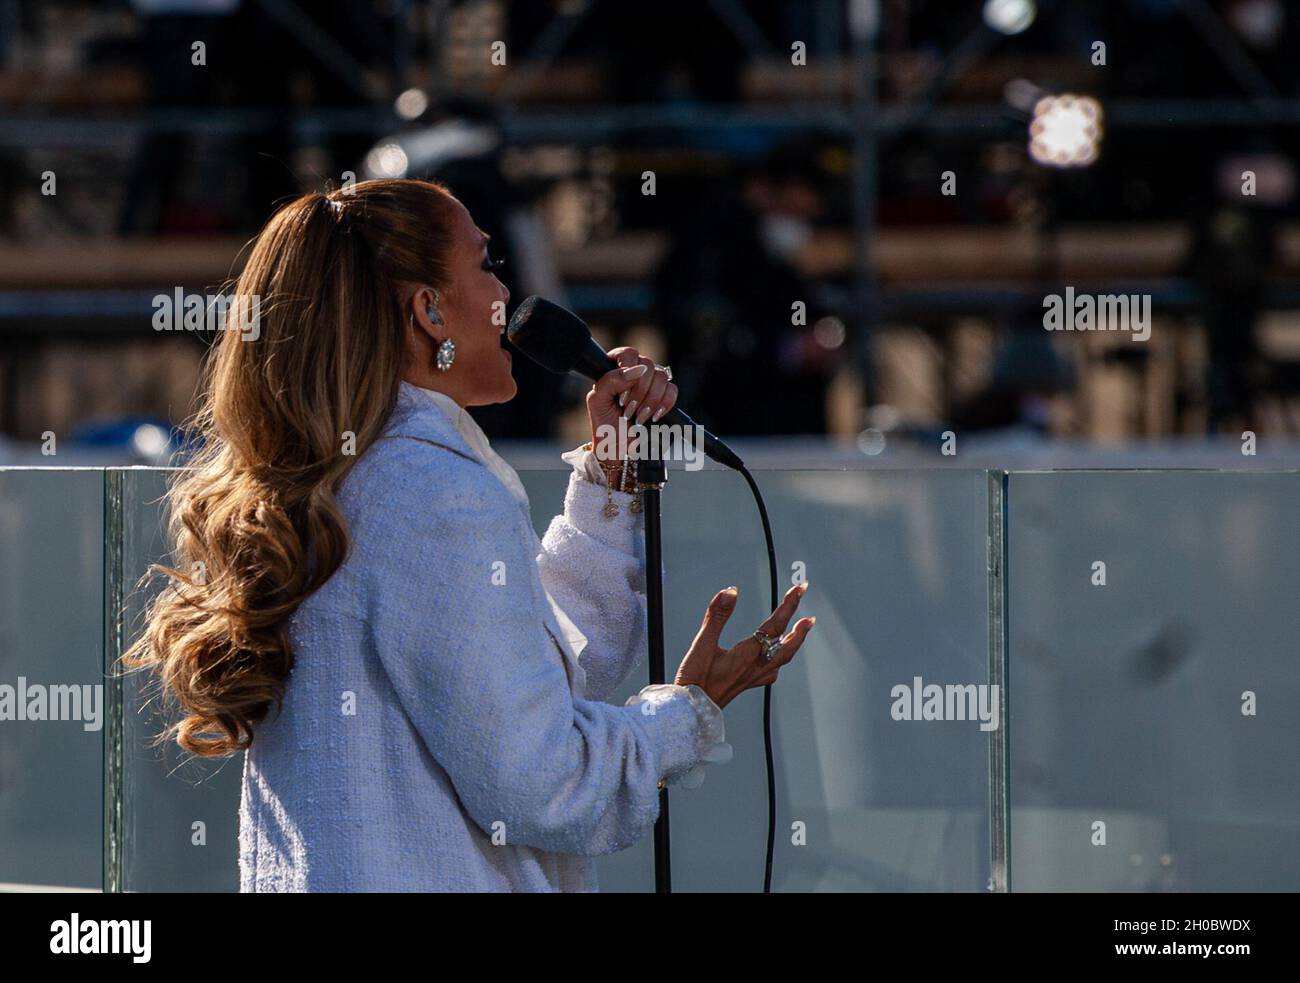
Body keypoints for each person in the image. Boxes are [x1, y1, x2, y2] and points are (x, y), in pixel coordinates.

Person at [121, 178, 815, 892]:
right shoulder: (436, 490)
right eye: (487, 266)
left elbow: (512, 682)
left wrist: (610, 476)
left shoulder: (343, 473)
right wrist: (683, 716)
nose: (507, 299)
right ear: (428, 310)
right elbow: (542, 783)